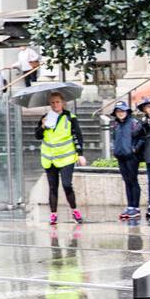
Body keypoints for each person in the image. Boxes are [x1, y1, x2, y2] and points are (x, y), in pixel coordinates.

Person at [37, 90, 84, 225]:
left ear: (63, 103)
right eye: (52, 102)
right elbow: (38, 136)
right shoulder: (45, 117)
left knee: (66, 184)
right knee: (53, 187)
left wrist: (80, 154)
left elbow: (77, 136)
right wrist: (42, 126)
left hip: (66, 157)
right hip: (49, 158)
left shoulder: (70, 117)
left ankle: (74, 210)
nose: (55, 105)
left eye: (57, 102)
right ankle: (53, 214)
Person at [110, 100, 144, 221]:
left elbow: (142, 138)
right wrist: (114, 149)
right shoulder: (115, 125)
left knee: (133, 180)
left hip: (131, 156)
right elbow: (113, 138)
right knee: (127, 181)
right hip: (121, 156)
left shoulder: (134, 123)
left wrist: (135, 149)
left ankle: (136, 207)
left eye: (122, 111)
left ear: (127, 111)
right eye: (118, 111)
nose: (120, 113)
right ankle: (130, 206)